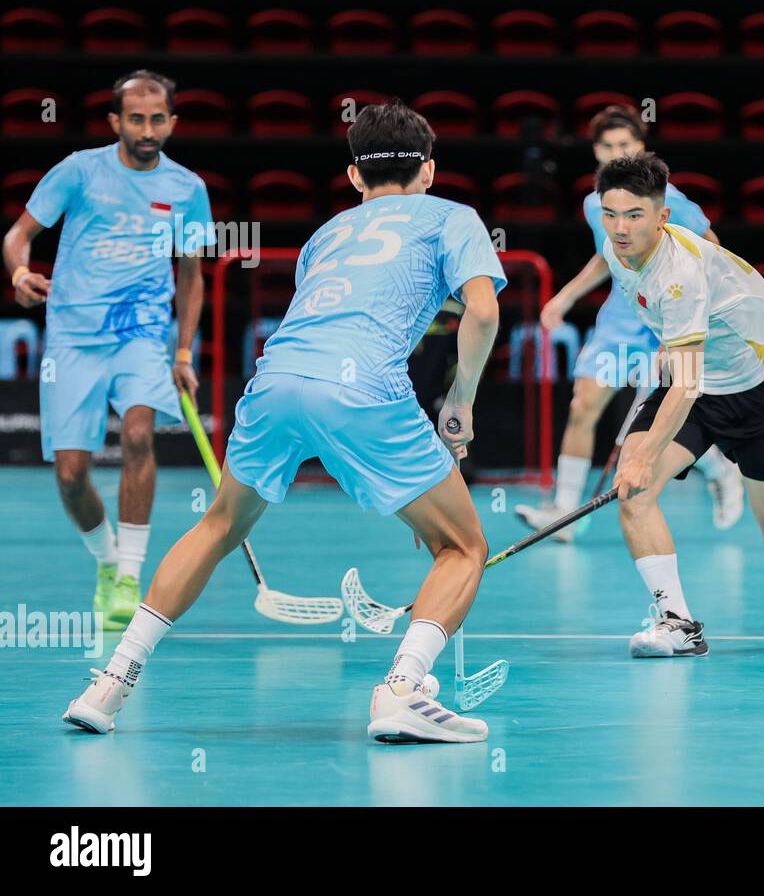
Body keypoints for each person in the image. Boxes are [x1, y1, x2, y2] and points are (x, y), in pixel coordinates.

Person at [63, 100, 507, 744]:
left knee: (217, 524)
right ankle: (403, 691)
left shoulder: (326, 233)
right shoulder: (453, 217)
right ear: (430, 171)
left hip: (274, 383)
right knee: (463, 547)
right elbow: (485, 314)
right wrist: (459, 402)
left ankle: (110, 682)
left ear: (354, 178)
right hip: (363, 391)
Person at [598, 155, 764, 658]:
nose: (621, 228)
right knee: (635, 495)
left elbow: (688, 383)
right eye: (610, 214)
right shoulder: (616, 252)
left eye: (634, 215)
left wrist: (646, 452)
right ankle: (677, 624)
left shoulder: (681, 274)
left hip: (750, 395)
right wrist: (666, 346)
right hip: (690, 389)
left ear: (662, 218)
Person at [3, 70, 211, 630]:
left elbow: (191, 276)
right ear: (116, 121)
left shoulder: (187, 188)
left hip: (141, 334)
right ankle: (106, 562)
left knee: (140, 433)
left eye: (157, 118)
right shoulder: (79, 170)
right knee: (71, 474)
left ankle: (130, 577)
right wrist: (21, 272)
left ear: (172, 122)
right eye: (136, 119)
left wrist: (184, 352)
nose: (147, 129)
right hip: (72, 336)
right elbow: (17, 235)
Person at [515, 105, 743, 541]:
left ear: (641, 147)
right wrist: (565, 296)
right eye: (608, 146)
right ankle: (564, 512)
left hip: (669, 316)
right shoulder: (592, 204)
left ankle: (719, 468)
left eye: (625, 144)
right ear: (596, 151)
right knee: (583, 405)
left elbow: (713, 251)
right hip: (621, 320)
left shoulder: (671, 202)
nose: (617, 152)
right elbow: (609, 254)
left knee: (666, 420)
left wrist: (692, 319)